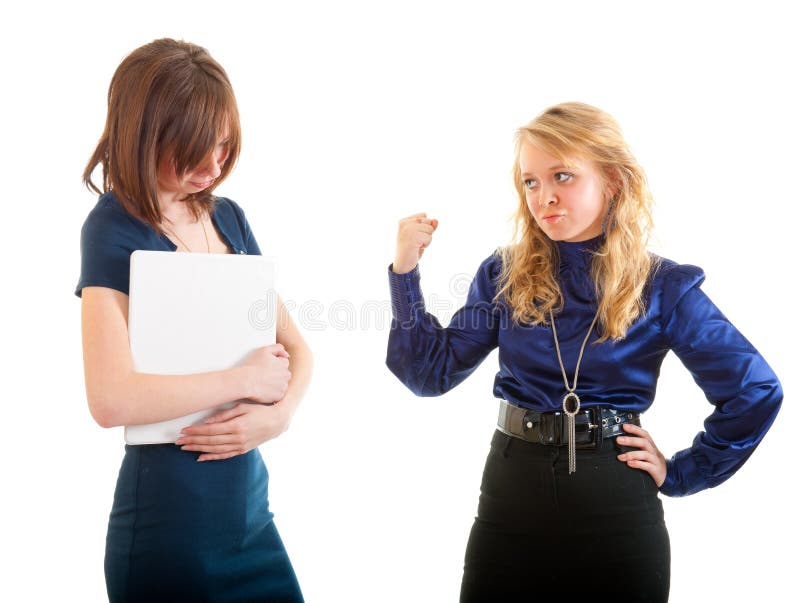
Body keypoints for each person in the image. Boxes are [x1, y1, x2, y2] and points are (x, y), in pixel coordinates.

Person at [386, 102, 782, 602]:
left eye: (563, 176)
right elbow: (429, 374)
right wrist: (405, 273)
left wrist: (684, 471)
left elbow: (755, 390)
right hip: (513, 492)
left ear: (612, 181)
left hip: (613, 500)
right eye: (530, 182)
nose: (543, 197)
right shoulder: (503, 274)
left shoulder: (662, 286)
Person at [77, 38, 311, 602]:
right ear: (142, 135)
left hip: (250, 515)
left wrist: (277, 419)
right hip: (168, 530)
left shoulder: (230, 218)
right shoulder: (112, 229)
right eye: (192, 151)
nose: (212, 168)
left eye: (223, 146)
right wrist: (245, 382)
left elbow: (298, 350)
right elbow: (111, 400)